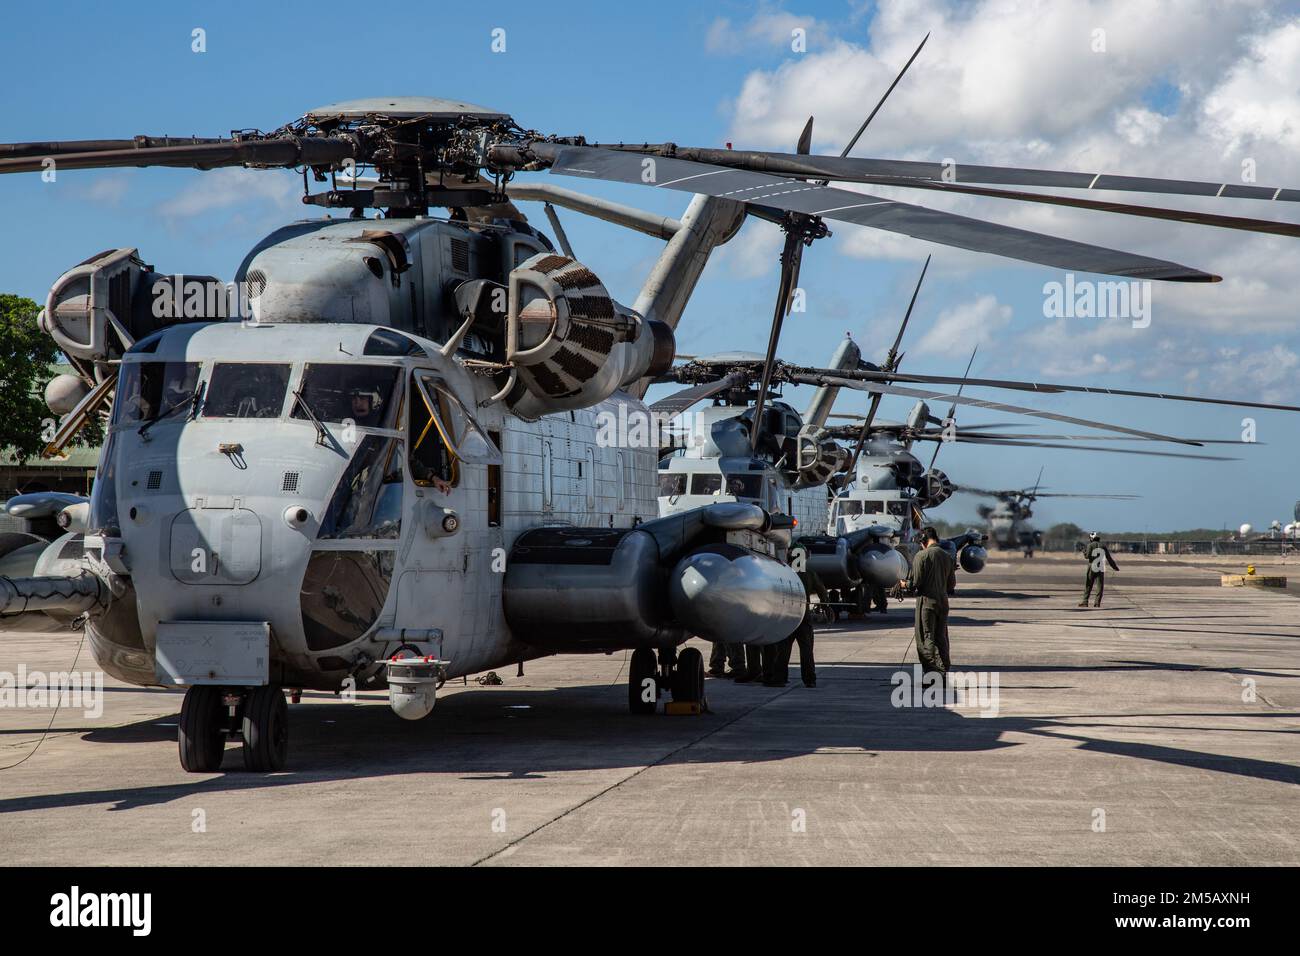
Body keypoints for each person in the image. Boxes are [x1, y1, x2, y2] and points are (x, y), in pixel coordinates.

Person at [899, 526, 956, 677]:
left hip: (926, 602)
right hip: (943, 602)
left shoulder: (921, 556)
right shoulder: (947, 556)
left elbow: (915, 582)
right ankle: (944, 671)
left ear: (923, 541)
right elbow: (951, 585)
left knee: (926, 637)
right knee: (941, 636)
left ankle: (932, 673)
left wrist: (904, 584)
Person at [764, 555, 825, 687]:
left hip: (787, 616)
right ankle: (810, 680)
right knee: (807, 650)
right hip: (804, 616)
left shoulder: (784, 572)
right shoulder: (809, 573)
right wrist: (825, 606)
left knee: (783, 650)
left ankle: (780, 678)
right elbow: (822, 591)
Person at [1079, 532, 1119, 607]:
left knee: (1088, 585)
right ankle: (1097, 602)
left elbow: (1087, 556)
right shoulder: (1103, 546)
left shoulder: (1090, 545)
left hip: (1092, 566)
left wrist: (1084, 551)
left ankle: (1085, 601)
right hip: (1100, 567)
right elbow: (1109, 558)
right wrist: (1114, 567)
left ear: (1091, 538)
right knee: (1100, 586)